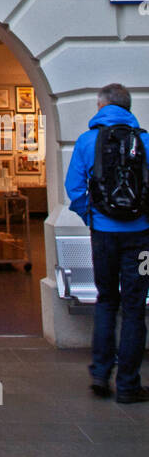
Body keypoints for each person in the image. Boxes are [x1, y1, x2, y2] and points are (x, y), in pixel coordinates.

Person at [64, 82, 149, 403]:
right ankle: (128, 385)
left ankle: (100, 375)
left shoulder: (87, 141)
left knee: (106, 300)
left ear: (101, 107)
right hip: (140, 238)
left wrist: (92, 218)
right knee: (134, 307)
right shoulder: (144, 140)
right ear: (128, 108)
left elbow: (74, 188)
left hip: (103, 235)